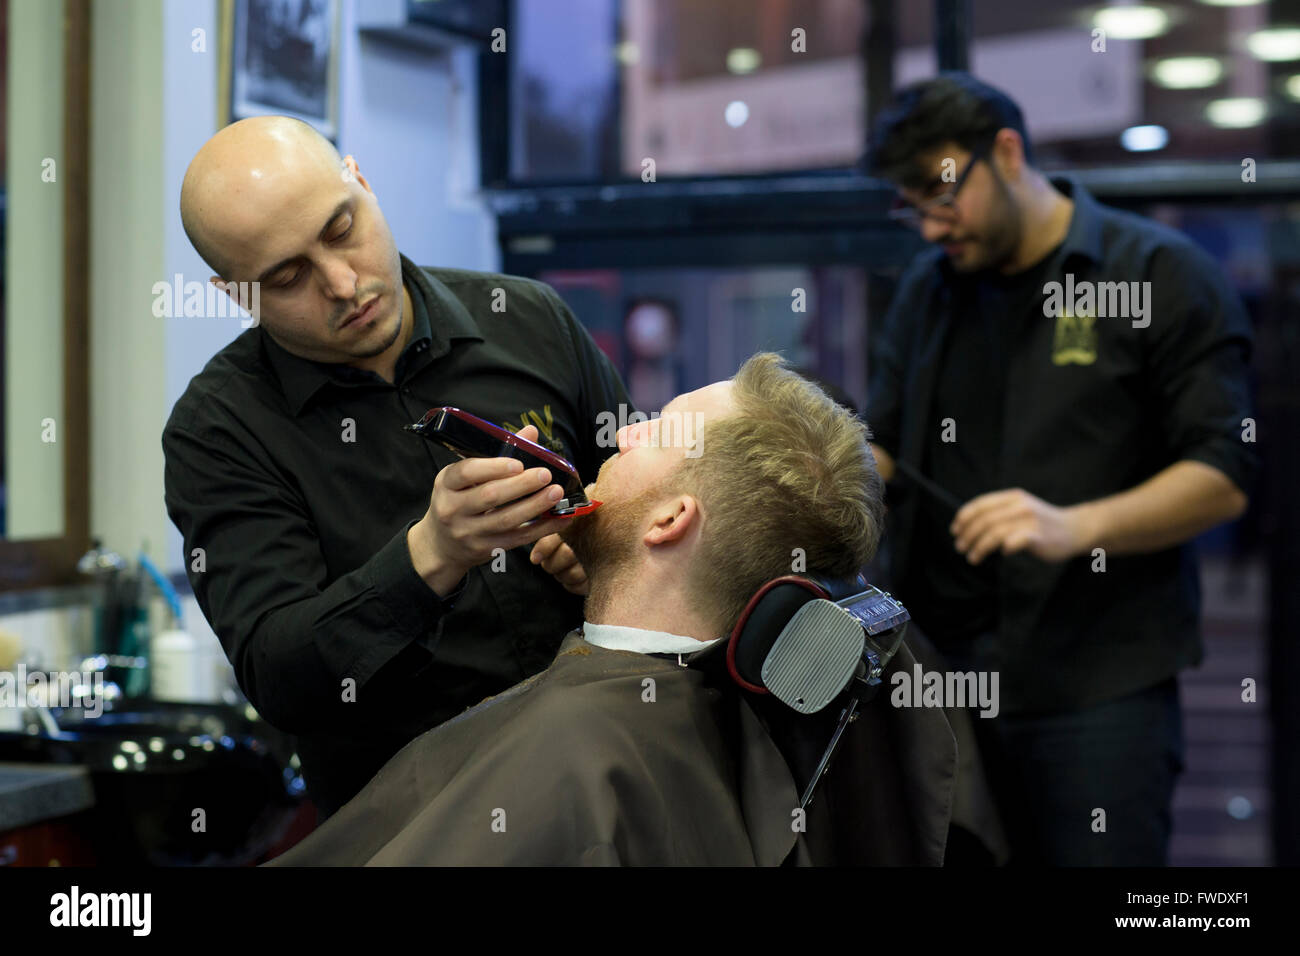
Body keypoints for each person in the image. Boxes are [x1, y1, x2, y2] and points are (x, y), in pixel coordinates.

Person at [265, 353, 967, 866]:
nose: (621, 436)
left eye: (654, 430)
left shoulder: (582, 752)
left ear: (669, 521)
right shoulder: (718, 725)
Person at [163, 116, 632, 818]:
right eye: (288, 277)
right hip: (412, 827)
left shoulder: (529, 319)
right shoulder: (219, 431)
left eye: (342, 228)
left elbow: (654, 512)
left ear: (362, 181)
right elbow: (280, 673)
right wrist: (428, 557)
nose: (345, 284)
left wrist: (602, 545)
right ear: (238, 295)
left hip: (608, 775)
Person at [863, 73, 1257, 865]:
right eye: (912, 207)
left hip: (1096, 689)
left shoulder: (1155, 275)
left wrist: (1075, 525)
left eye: (942, 197)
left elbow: (1223, 472)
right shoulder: (928, 291)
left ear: (1006, 153)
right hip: (944, 680)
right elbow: (888, 448)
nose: (933, 227)